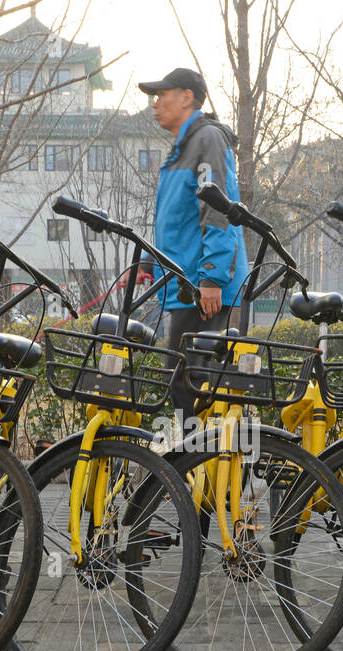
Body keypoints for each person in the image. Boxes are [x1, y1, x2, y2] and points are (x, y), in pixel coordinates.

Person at [138, 67, 249, 422]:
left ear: (187, 96)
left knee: (194, 388)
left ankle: (199, 471)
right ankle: (190, 472)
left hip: (204, 287)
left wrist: (212, 277)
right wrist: (146, 265)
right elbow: (175, 218)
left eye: (163, 94)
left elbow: (219, 210)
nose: (156, 103)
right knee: (183, 386)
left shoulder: (206, 140)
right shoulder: (181, 148)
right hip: (187, 284)